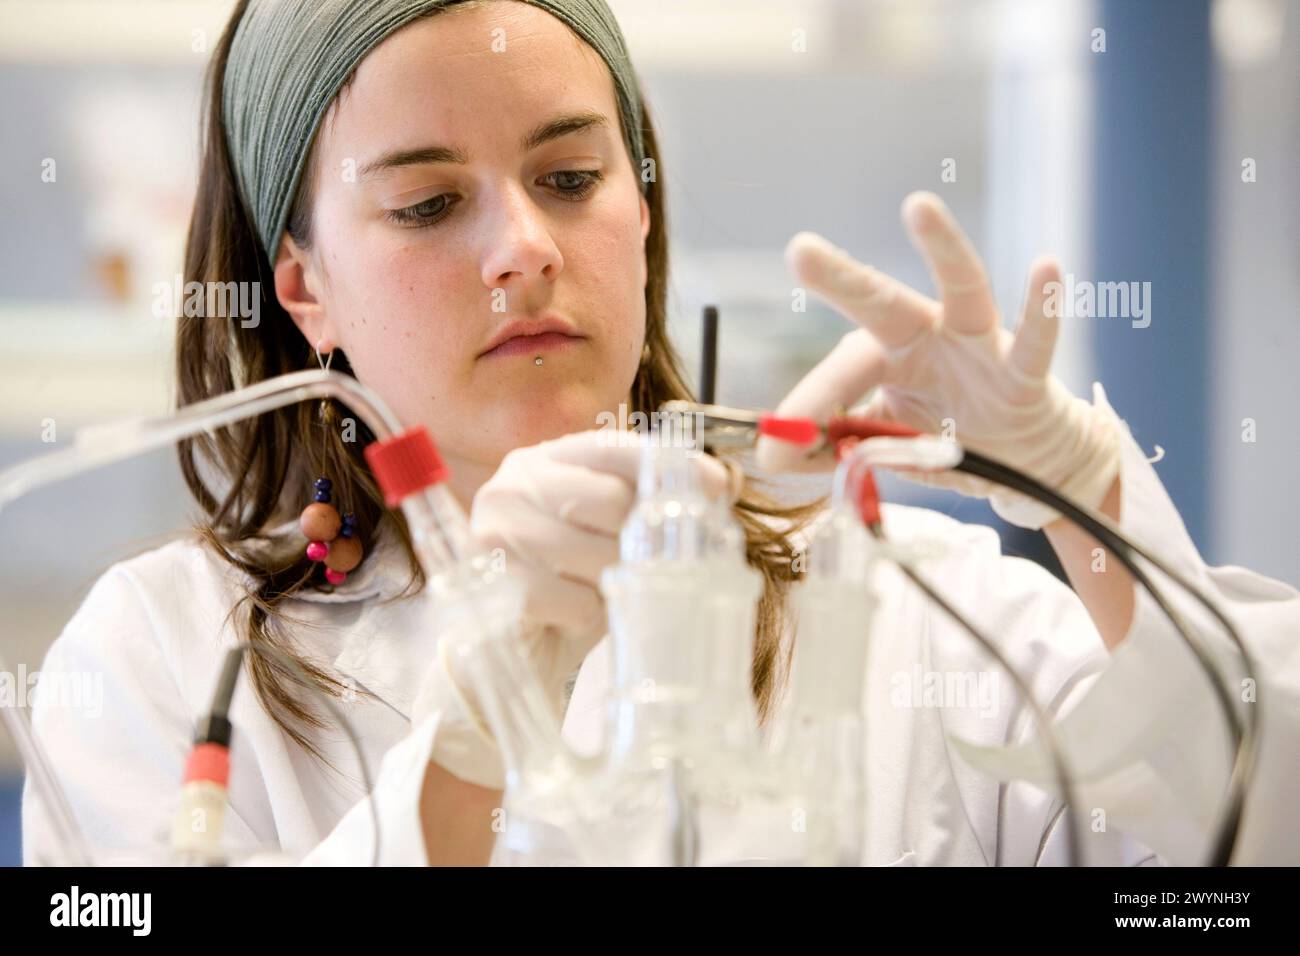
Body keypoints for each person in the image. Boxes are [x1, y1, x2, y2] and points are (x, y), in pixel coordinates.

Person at [21, 0, 1296, 867]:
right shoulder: (170, 658)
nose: (523, 246)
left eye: (570, 178)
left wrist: (1085, 500)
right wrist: (473, 729)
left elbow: (1255, 832)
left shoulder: (913, 598)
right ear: (304, 288)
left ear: (639, 206)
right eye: (426, 203)